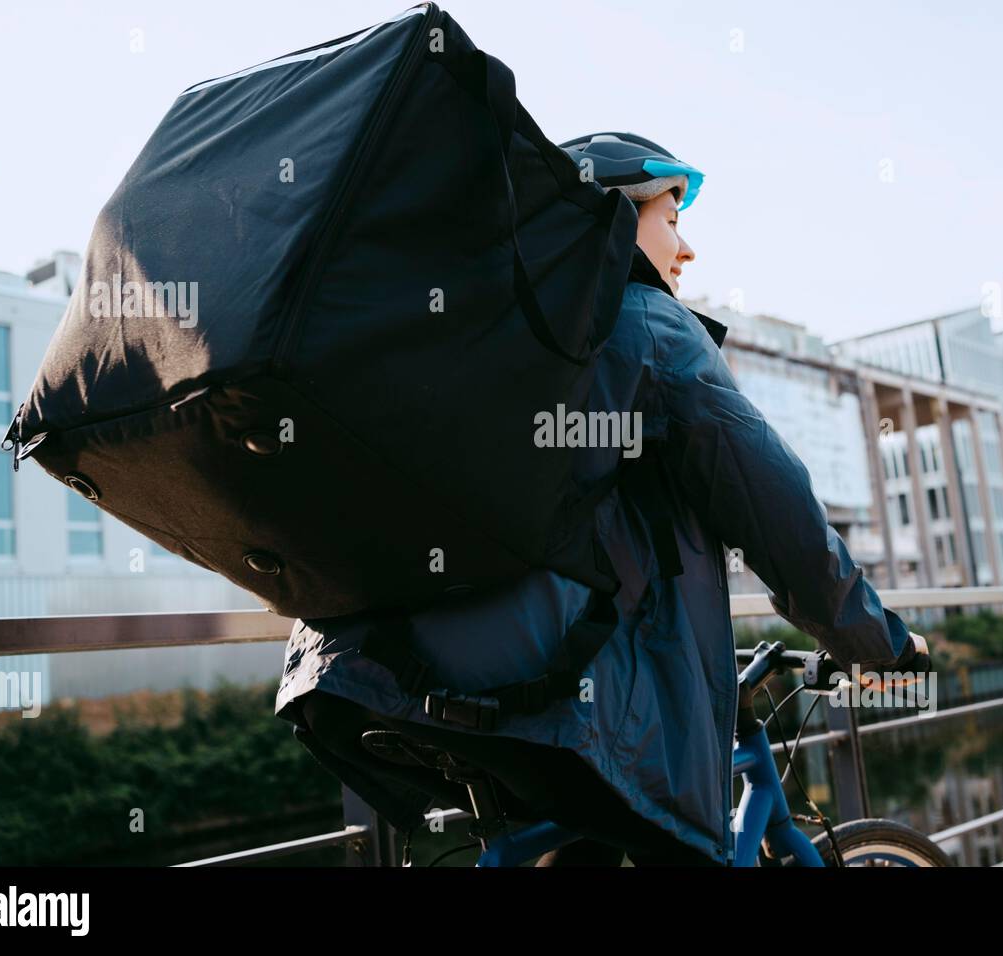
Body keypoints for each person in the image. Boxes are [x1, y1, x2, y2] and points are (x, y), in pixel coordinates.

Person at [273, 132, 930, 867]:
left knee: (576, 829)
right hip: (542, 689)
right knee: (660, 823)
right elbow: (779, 516)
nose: (687, 250)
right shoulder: (648, 326)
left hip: (371, 669)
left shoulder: (474, 330)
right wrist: (882, 644)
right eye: (671, 217)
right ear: (613, 219)